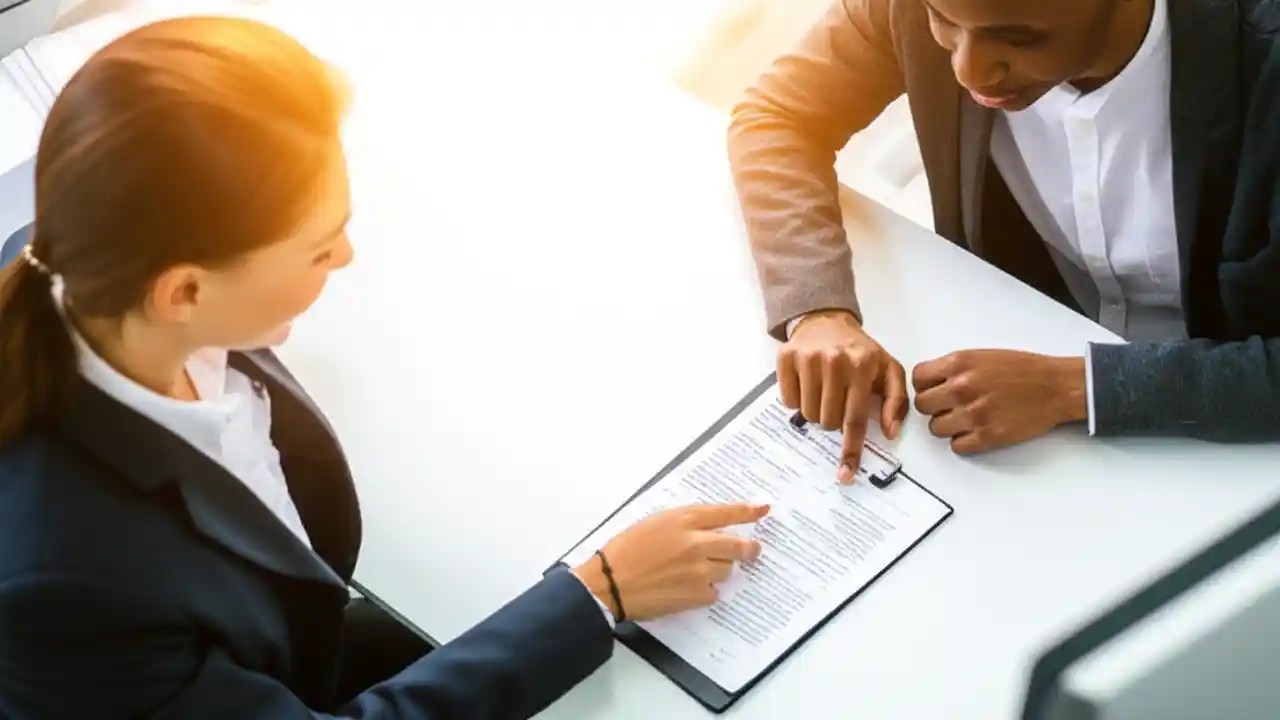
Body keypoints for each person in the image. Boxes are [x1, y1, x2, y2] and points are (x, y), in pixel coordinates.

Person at [0, 17, 767, 719]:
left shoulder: (93, 253)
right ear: (185, 289)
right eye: (318, 245)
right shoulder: (66, 592)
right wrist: (599, 594)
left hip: (294, 635)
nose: (346, 256)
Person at [729, 0, 1280, 480]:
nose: (969, 69)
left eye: (1019, 37)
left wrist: (1078, 389)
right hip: (1013, 434)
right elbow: (777, 117)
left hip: (1234, 451)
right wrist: (818, 312)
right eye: (942, 20)